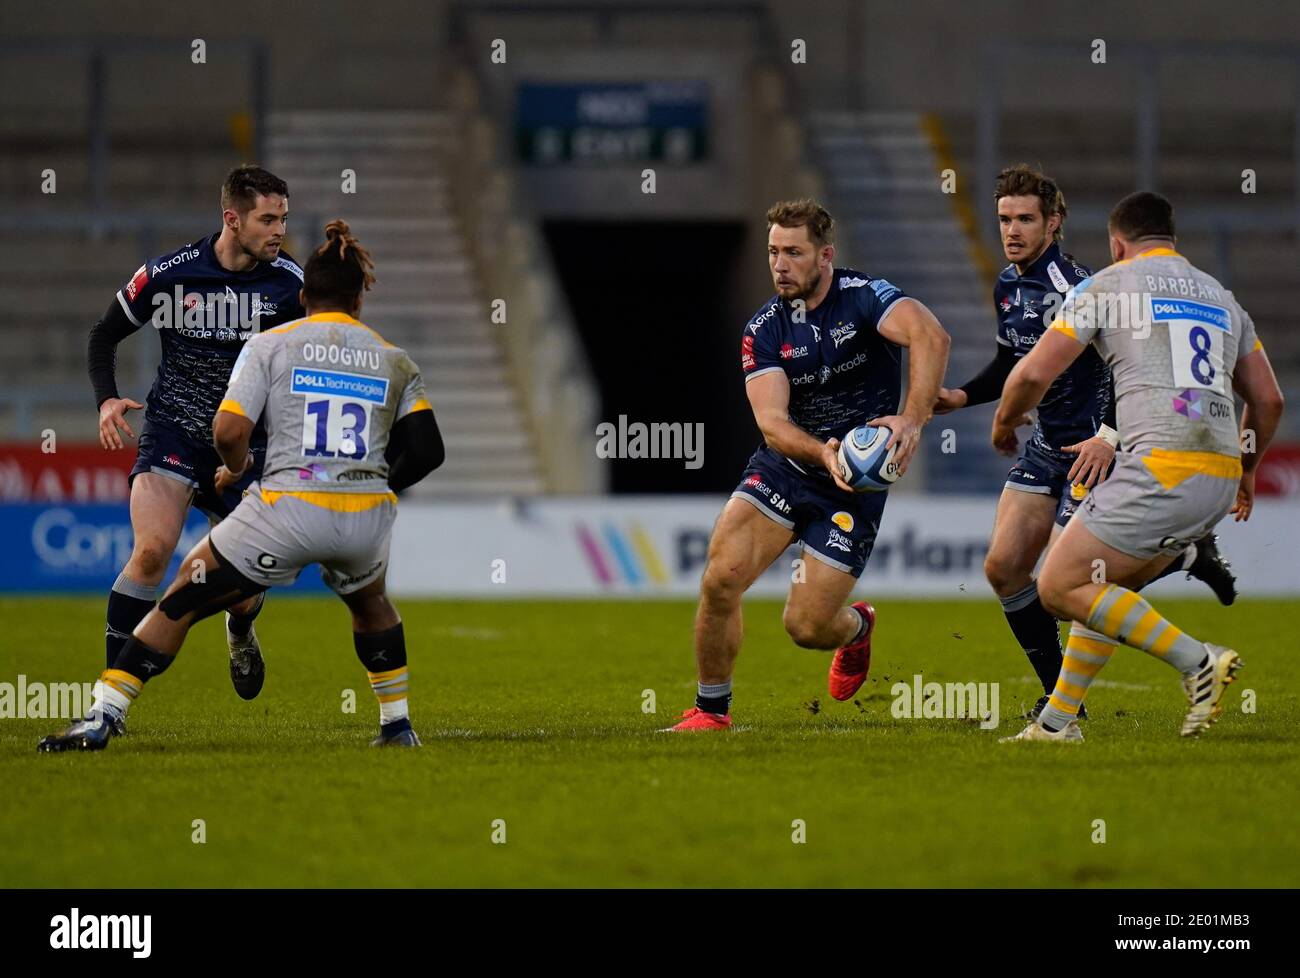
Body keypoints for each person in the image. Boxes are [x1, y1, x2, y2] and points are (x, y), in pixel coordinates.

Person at [41, 220, 445, 752]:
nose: (278, 228)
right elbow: (427, 450)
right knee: (372, 605)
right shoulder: (394, 358)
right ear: (359, 300)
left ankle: (103, 715)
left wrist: (233, 468)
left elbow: (230, 430)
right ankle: (397, 726)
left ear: (303, 296)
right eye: (270, 218)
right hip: (360, 514)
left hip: (286, 503)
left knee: (184, 595)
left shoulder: (271, 343)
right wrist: (374, 484)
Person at [935, 164, 1235, 720]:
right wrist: (960, 396)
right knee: (1003, 569)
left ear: (1054, 223)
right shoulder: (1008, 284)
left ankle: (1062, 710)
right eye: (1004, 218)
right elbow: (1014, 361)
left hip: (1097, 452)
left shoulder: (1084, 286)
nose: (1012, 230)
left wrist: (1107, 436)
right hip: (1048, 444)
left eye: (1026, 218)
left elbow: (1130, 369)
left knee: (1075, 581)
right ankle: (1065, 690)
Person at [995, 191, 1284, 742]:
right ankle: (1058, 723)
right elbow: (1268, 401)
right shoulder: (1220, 296)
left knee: (1056, 586)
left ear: (1117, 242)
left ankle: (1198, 660)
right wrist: (1247, 470)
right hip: (1219, 475)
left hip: (1160, 468)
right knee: (1100, 584)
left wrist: (1004, 423)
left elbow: (1032, 375)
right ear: (1170, 240)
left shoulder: (1107, 284)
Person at [666, 198, 950, 731]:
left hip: (855, 489)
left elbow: (931, 336)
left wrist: (912, 419)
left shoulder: (864, 298)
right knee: (720, 580)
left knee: (807, 627)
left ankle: (857, 629)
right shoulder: (765, 329)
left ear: (825, 256)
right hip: (787, 467)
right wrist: (822, 451)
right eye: (773, 251)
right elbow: (771, 422)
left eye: (793, 252)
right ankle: (711, 710)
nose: (779, 264)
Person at [88, 165, 306, 703]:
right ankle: (110, 699)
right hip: (173, 432)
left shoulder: (289, 283)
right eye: (268, 219)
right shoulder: (170, 273)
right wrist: (107, 399)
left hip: (246, 449)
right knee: (152, 552)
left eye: (283, 218)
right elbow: (104, 334)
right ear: (232, 219)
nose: (278, 230)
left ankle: (240, 630)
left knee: (240, 594)